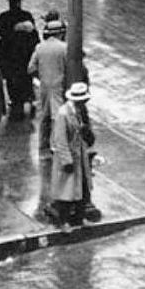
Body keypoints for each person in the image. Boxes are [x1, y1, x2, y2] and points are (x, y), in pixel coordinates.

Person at [50, 82, 95, 228]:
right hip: (69, 157)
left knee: (82, 188)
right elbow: (60, 139)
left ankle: (80, 218)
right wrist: (66, 160)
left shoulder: (80, 113)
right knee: (66, 191)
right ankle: (64, 221)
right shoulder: (63, 114)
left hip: (80, 154)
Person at [0, 0, 38, 121]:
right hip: (24, 58)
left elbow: (0, 33)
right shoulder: (26, 16)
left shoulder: (4, 17)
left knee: (12, 82)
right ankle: (27, 100)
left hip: (11, 59)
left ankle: (17, 103)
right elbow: (34, 38)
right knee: (25, 81)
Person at [28, 11, 68, 153]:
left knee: (44, 117)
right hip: (60, 87)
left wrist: (41, 77)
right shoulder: (64, 48)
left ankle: (43, 145)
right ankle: (58, 145)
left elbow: (30, 68)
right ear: (61, 33)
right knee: (59, 117)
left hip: (45, 86)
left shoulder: (40, 47)